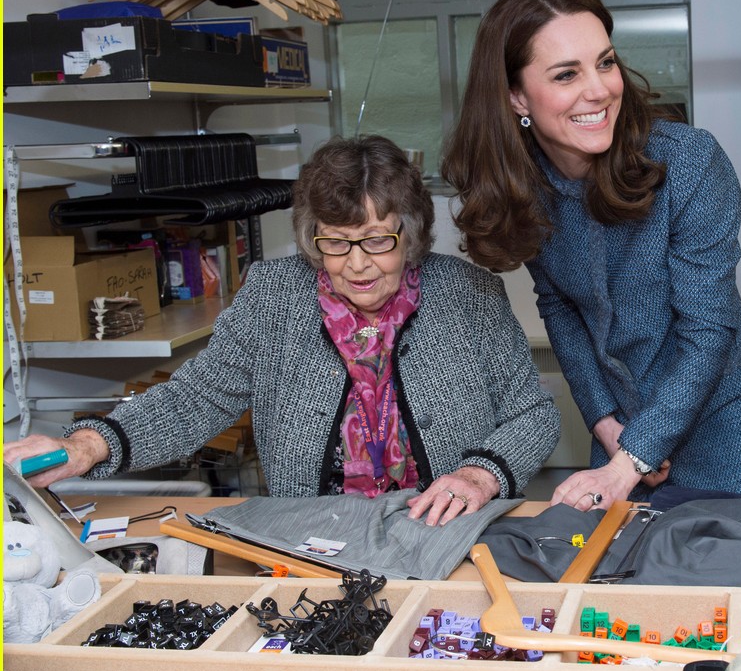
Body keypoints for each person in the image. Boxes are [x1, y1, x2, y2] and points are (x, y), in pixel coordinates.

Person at [4, 135, 560, 527]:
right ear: (309, 238)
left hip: (447, 533)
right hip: (311, 539)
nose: (357, 264)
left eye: (376, 240)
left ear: (410, 236)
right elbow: (196, 398)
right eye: (335, 242)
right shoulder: (274, 293)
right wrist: (89, 443)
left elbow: (532, 413)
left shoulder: (470, 294)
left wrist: (480, 475)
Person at [441, 0, 741, 509]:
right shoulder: (523, 186)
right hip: (619, 431)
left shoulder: (688, 162)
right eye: (565, 74)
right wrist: (603, 421)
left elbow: (709, 326)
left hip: (723, 427)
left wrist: (633, 458)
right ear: (515, 97)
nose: (599, 90)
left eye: (605, 62)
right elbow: (559, 305)